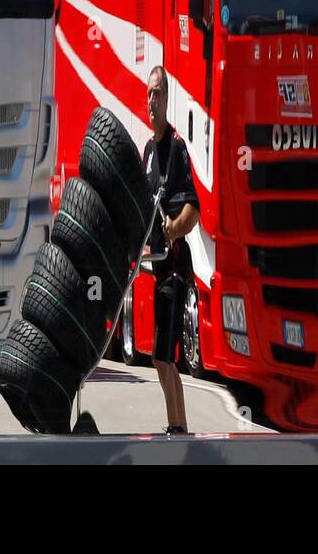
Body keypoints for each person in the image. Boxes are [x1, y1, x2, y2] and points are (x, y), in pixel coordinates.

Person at [142, 65, 199, 435]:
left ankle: (177, 427)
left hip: (176, 268)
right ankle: (178, 425)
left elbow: (193, 208)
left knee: (163, 356)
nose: (152, 100)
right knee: (160, 357)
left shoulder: (176, 149)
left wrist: (174, 228)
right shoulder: (148, 150)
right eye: (148, 93)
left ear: (167, 99)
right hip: (158, 267)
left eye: (158, 93)